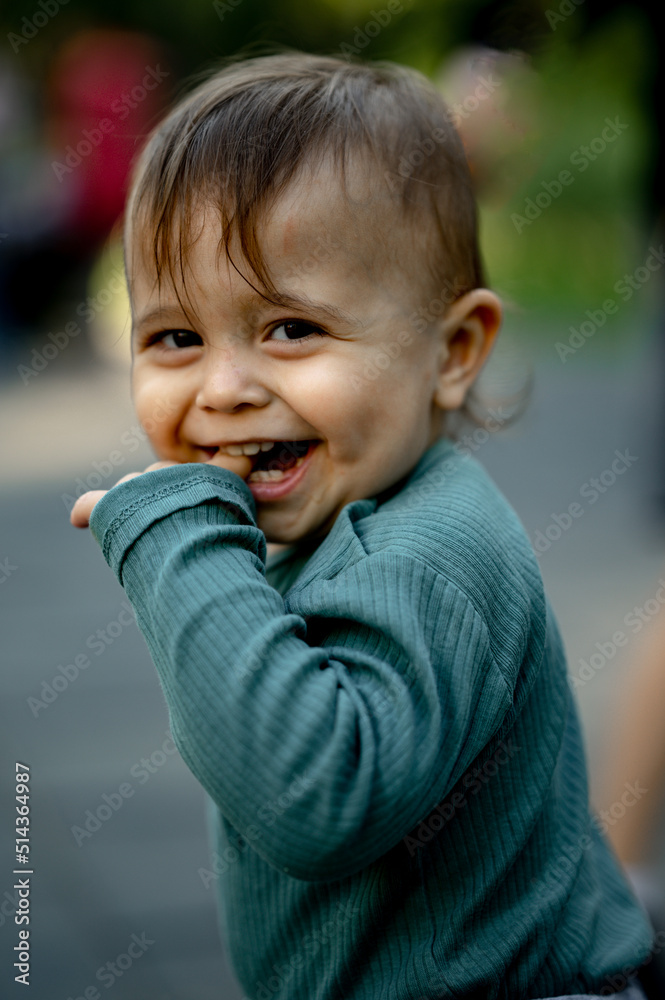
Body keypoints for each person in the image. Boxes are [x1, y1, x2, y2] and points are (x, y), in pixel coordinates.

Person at [70, 53, 655, 999]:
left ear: (452, 351)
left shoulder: (426, 555)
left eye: (291, 328)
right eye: (176, 337)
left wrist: (178, 546)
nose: (223, 390)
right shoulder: (362, 518)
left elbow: (312, 797)